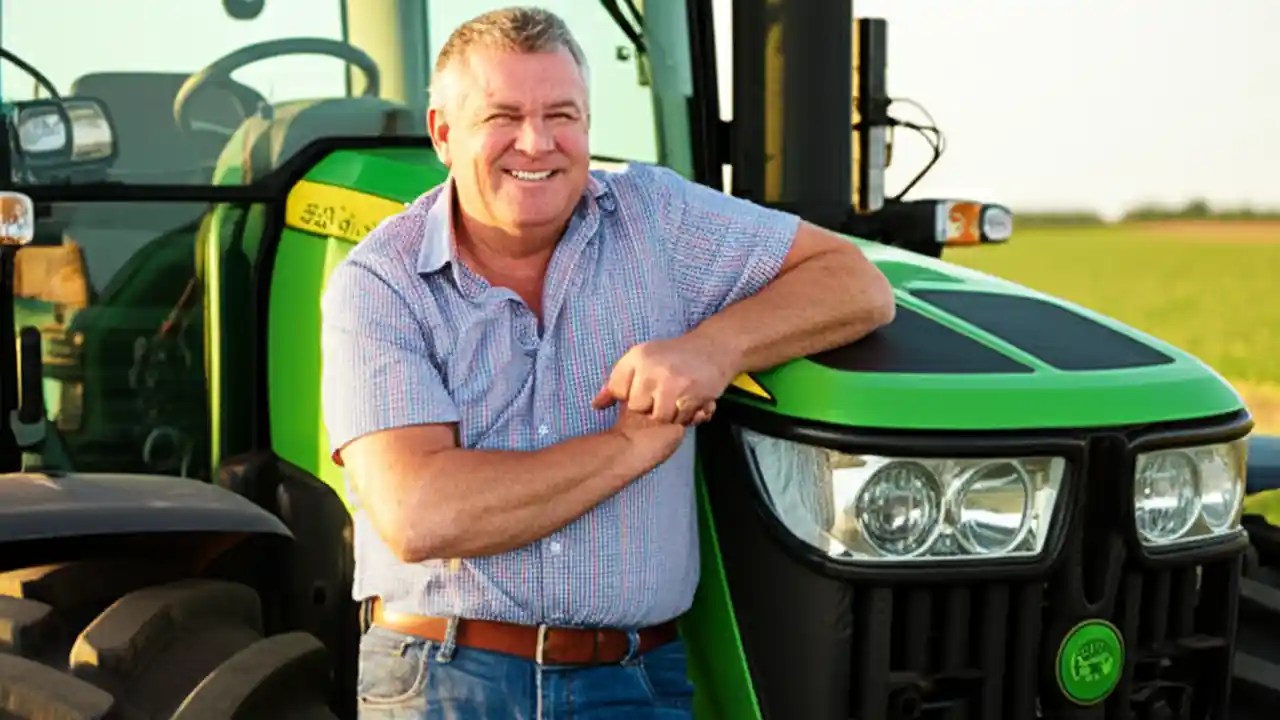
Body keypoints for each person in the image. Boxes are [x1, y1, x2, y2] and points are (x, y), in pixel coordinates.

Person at [320, 6, 896, 718]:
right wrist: (627, 446)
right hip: (446, 681)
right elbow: (420, 515)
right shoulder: (380, 281)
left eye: (561, 114)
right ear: (443, 132)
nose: (536, 143)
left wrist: (713, 349)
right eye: (503, 115)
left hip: (634, 681)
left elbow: (857, 284)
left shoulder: (657, 218)